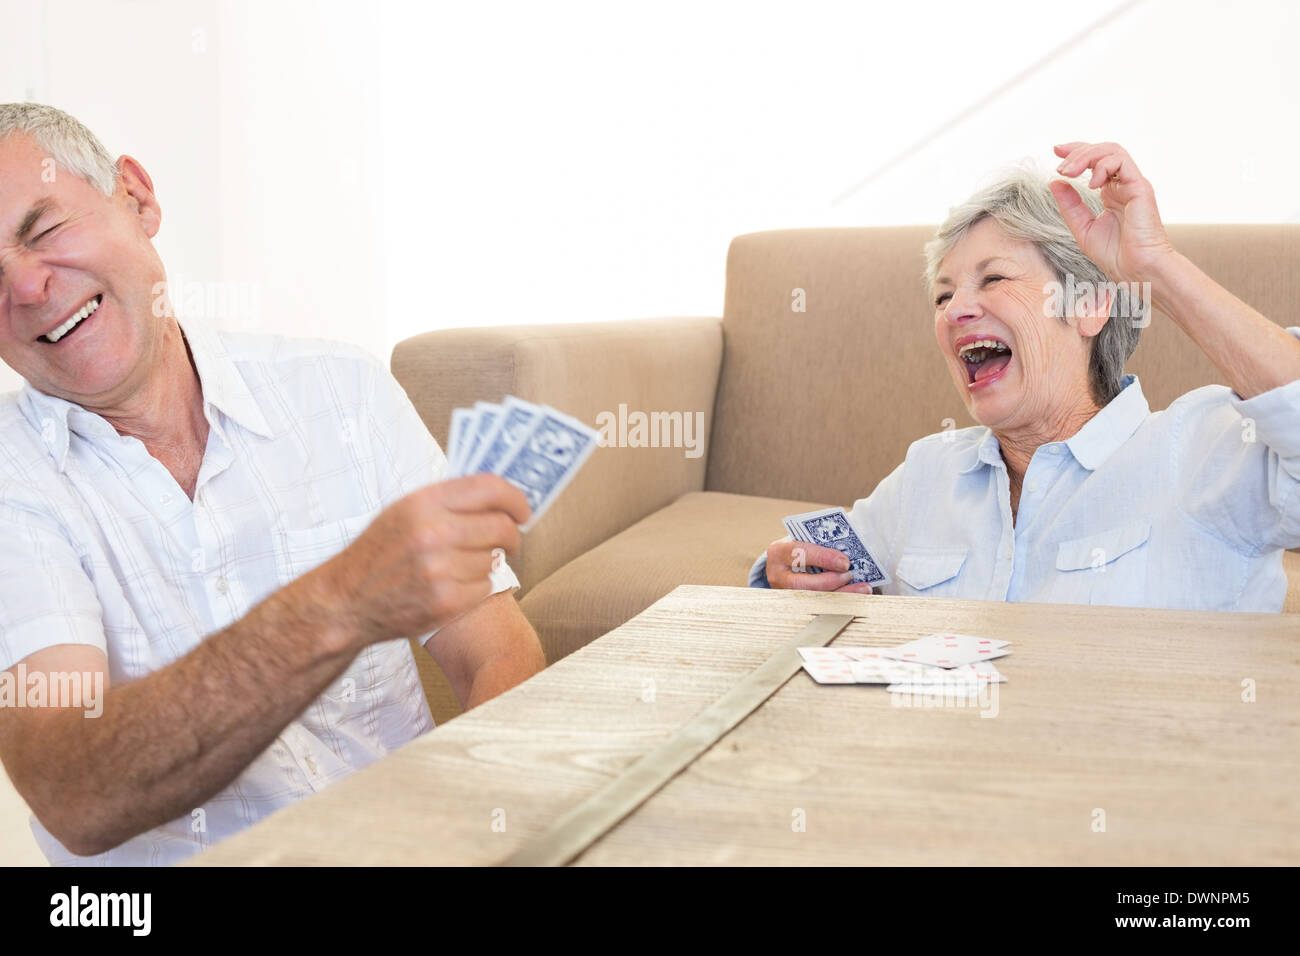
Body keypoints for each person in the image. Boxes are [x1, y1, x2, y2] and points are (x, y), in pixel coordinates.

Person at [0, 103, 546, 865]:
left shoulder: (342, 390)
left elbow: (497, 655)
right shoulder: (12, 483)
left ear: (136, 197)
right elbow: (73, 794)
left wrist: (473, 834)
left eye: (44, 229)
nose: (25, 287)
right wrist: (342, 599)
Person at [752, 142, 1300, 611]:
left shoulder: (1199, 450)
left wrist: (1155, 266)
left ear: (1088, 306)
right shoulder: (928, 474)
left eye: (992, 279)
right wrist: (786, 570)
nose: (954, 311)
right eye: (943, 295)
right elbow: (815, 575)